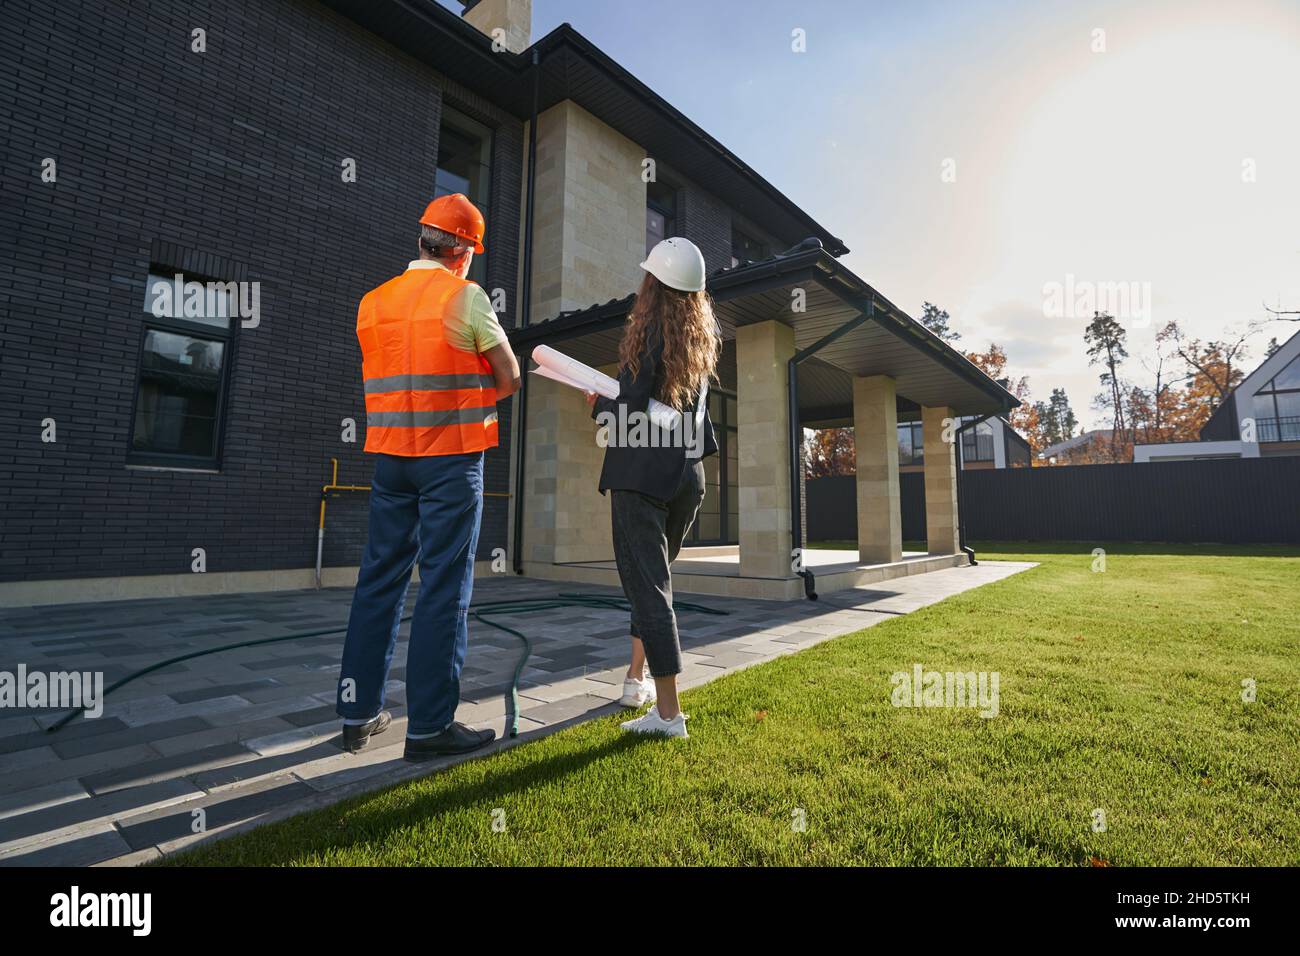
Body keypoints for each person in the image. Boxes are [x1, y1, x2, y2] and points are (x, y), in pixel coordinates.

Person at [336, 193, 520, 761]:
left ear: (422, 240)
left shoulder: (372, 303)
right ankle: (430, 727)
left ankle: (358, 714)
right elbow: (509, 376)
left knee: (378, 580)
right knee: (443, 585)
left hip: (391, 459)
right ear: (463, 252)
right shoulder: (466, 299)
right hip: (452, 460)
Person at [587, 237, 720, 739]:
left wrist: (597, 403)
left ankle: (668, 715)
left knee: (648, 588)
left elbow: (627, 410)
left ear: (653, 284)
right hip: (687, 476)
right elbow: (678, 416)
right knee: (655, 583)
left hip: (641, 477)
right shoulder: (701, 342)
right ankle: (634, 679)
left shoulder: (649, 337)